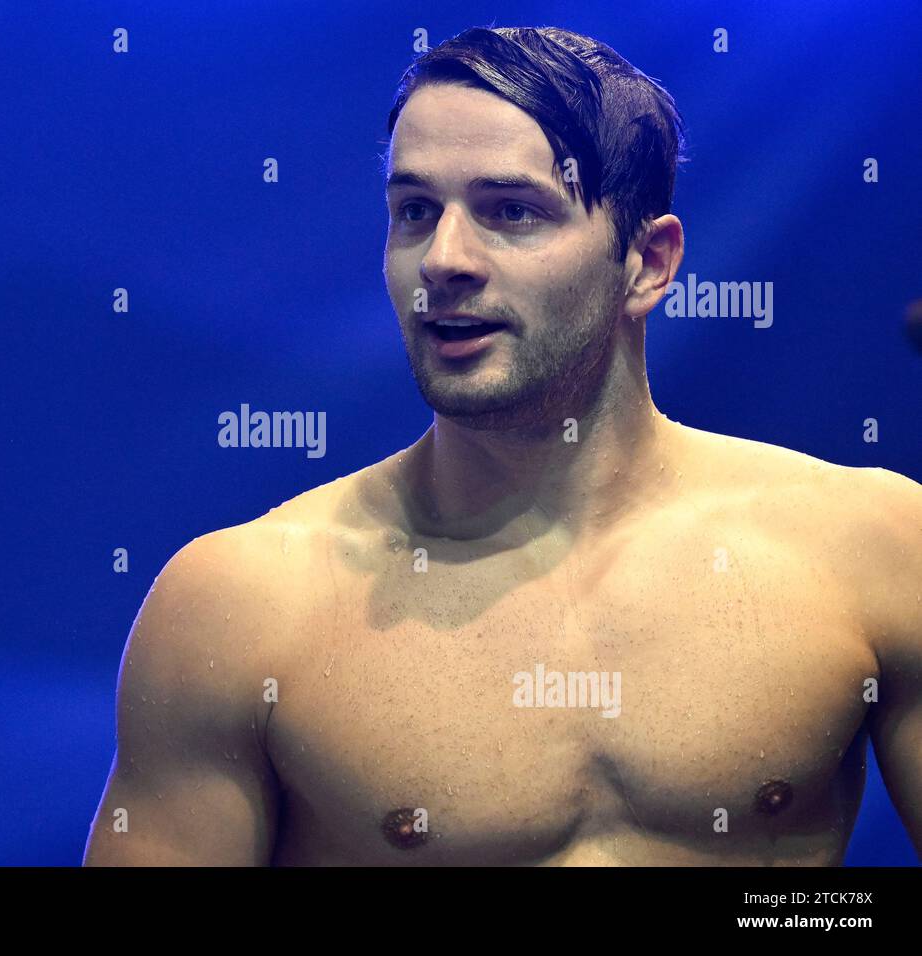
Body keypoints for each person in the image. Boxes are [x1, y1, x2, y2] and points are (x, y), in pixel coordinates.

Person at [83, 25, 922, 865]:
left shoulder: (873, 546)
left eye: (510, 212)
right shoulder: (239, 604)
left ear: (649, 262)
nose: (443, 260)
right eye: (415, 212)